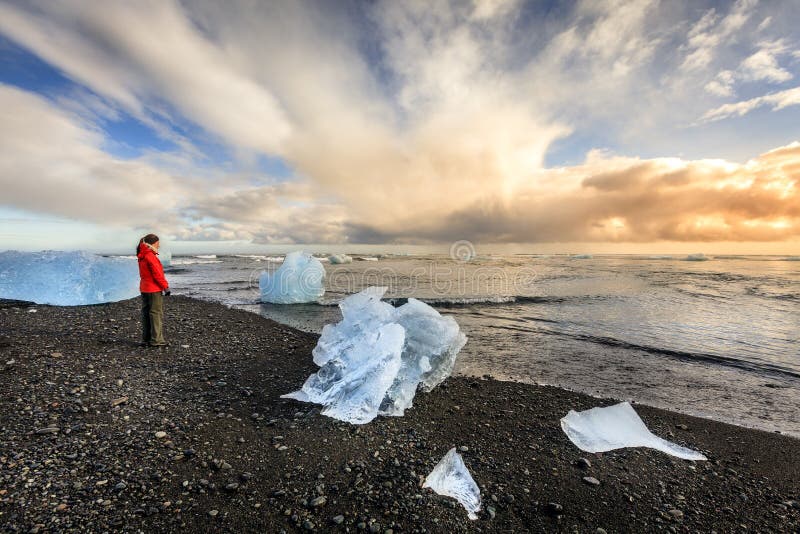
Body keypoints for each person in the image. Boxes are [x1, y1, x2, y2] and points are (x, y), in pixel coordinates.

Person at [136, 234, 170, 347]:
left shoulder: (142, 255)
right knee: (156, 313)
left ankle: (146, 339)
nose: (159, 245)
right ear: (152, 243)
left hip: (144, 288)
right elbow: (157, 273)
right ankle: (157, 340)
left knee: (146, 313)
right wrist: (165, 287)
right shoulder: (150, 255)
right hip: (153, 288)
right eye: (157, 243)